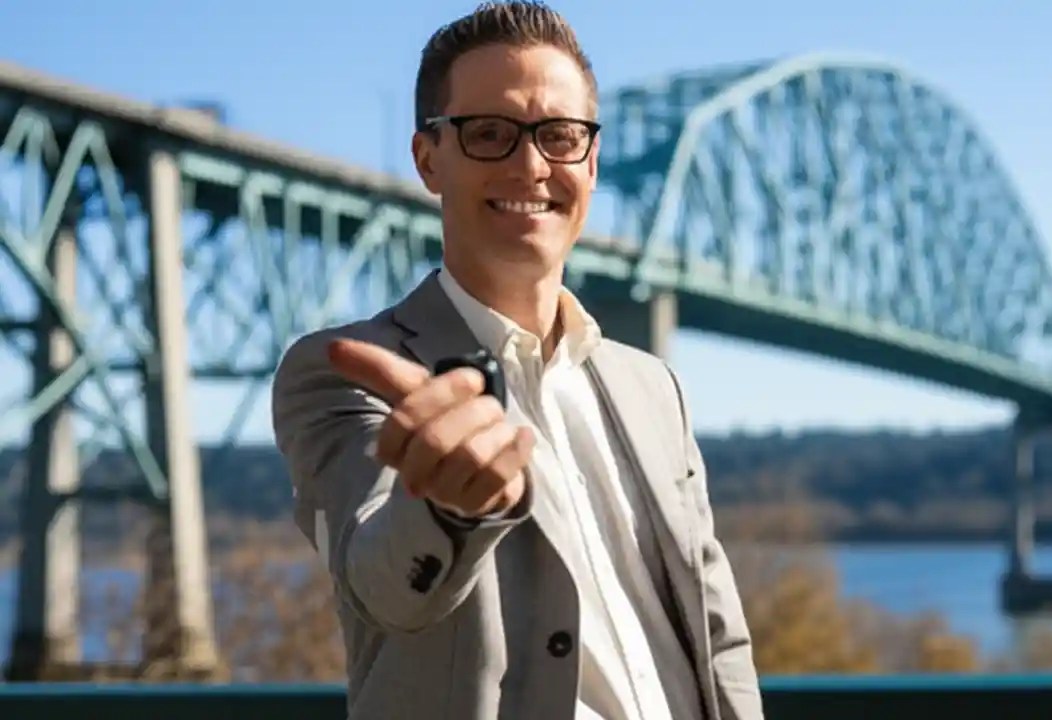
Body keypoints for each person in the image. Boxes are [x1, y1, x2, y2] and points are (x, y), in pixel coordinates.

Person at [271, 2, 763, 718]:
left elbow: (718, 638)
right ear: (428, 160)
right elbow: (378, 579)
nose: (531, 165)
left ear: (590, 162)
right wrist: (449, 509)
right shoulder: (344, 372)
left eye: (560, 136)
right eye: (490, 134)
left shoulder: (653, 386)